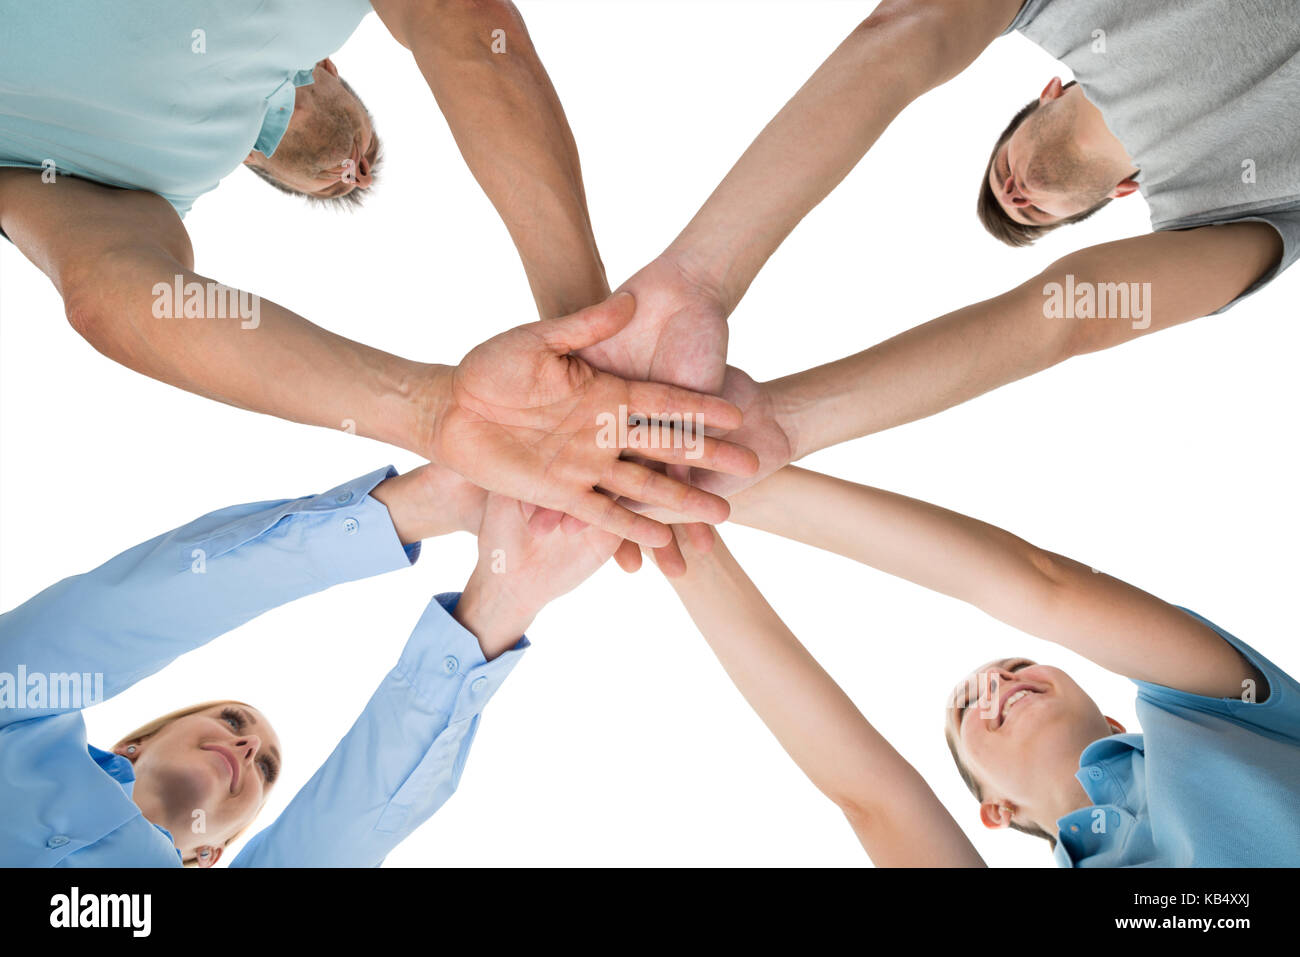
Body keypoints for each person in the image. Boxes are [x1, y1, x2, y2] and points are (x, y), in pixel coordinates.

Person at [0, 2, 762, 544]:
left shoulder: (139, 183)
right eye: (356, 171)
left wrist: (436, 412)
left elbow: (111, 289)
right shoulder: (319, 15)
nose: (351, 173)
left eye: (343, 185)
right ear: (329, 68)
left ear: (254, 165)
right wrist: (598, 339)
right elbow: (463, 25)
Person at [580, 0, 1297, 486]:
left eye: (1001, 171)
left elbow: (906, 35)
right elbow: (1074, 313)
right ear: (1119, 197)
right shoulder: (1227, 208)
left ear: (1046, 93)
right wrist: (782, 423)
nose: (1015, 195)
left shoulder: (1067, 11)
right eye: (1033, 213)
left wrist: (698, 278)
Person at [659, 466, 1300, 866]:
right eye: (969, 708)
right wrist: (669, 516)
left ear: (1110, 720)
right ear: (995, 810)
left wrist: (702, 479)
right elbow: (874, 795)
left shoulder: (1215, 710)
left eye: (1016, 663)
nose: (995, 684)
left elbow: (1041, 586)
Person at [0, 462, 621, 866]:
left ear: (211, 854)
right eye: (233, 721)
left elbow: (340, 833)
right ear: (135, 743)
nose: (246, 750)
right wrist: (420, 506)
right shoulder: (16, 724)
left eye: (265, 767)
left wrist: (501, 600)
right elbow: (123, 611)